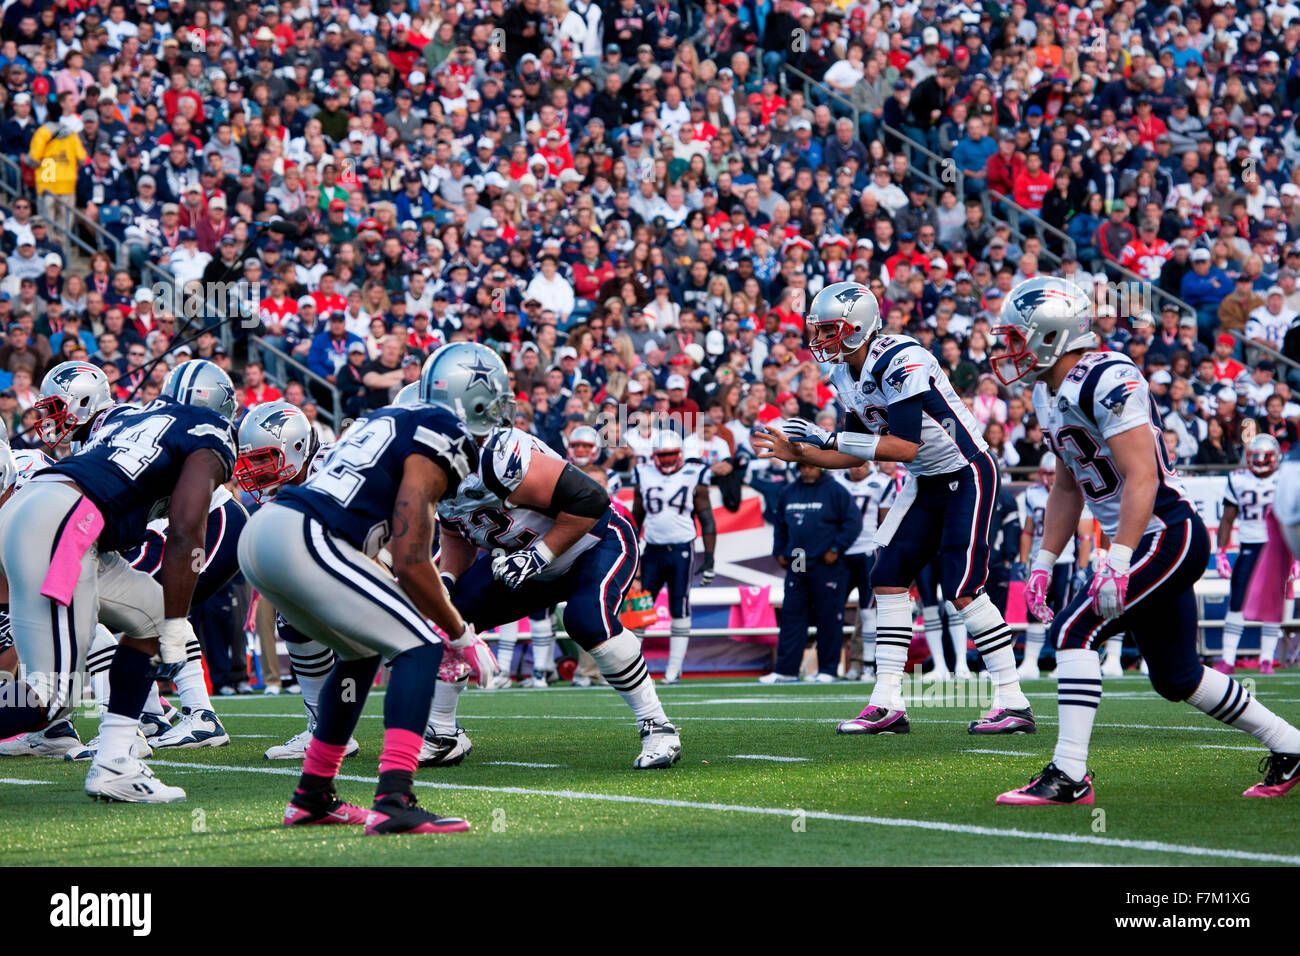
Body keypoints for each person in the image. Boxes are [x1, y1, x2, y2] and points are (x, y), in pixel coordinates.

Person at [991, 276, 1300, 804]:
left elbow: (1142, 477)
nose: (1009, 350)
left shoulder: (1106, 375)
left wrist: (1116, 558)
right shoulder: (1048, 392)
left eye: (1019, 337)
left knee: (1072, 632)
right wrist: (1044, 558)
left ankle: (1068, 775)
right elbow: (1069, 481)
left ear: (1052, 334)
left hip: (1164, 533)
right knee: (1177, 677)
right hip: (1141, 539)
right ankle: (1292, 745)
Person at [753, 282, 1035, 735]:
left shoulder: (902, 358)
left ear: (858, 328)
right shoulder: (845, 372)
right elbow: (856, 453)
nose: (820, 340)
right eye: (818, 330)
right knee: (886, 578)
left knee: (960, 587)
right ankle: (886, 701)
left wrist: (824, 439)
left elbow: (903, 446)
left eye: (830, 330)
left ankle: (1013, 701)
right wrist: (802, 455)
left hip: (966, 473)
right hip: (924, 482)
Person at [237, 366, 485, 834]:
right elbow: (413, 560)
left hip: (269, 533)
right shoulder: (437, 431)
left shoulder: (375, 427)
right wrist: (458, 633)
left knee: (361, 652)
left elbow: (400, 555)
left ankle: (313, 795)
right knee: (418, 646)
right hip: (307, 536)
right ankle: (395, 799)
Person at [0, 359, 237, 803]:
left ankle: (115, 762)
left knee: (148, 610)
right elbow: (187, 528)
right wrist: (177, 622)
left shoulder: (132, 418)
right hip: (67, 523)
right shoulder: (210, 430)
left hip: (51, 514)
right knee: (52, 698)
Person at [763, 460, 862, 683]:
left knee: (828, 617)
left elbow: (853, 523)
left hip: (826, 562)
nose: (807, 471)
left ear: (820, 467)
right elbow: (780, 526)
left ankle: (827, 670)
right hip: (796, 560)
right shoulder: (789, 491)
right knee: (792, 616)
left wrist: (836, 548)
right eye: (803, 467)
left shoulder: (835, 490)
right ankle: (786, 671)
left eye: (811, 466)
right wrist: (779, 550)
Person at [632, 430, 715, 684]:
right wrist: (634, 555)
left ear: (680, 454)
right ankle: (631, 670)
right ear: (653, 455)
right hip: (653, 550)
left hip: (681, 549)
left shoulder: (695, 474)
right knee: (640, 609)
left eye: (670, 454)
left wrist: (710, 558)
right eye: (662, 455)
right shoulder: (643, 473)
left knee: (680, 605)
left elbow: (707, 519)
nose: (666, 460)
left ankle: (673, 670)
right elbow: (636, 520)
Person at [1015, 453, 1091, 678]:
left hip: (1065, 560)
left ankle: (1063, 661)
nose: (1049, 478)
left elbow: (1085, 536)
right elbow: (1028, 531)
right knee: (1034, 610)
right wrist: (1023, 559)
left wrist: (1082, 568)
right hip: (1039, 562)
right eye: (1046, 474)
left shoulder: (1076, 493)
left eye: (1053, 473)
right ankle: (1030, 661)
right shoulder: (1032, 494)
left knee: (1063, 610)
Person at [1215, 435, 1282, 675]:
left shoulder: (1284, 479)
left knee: (1273, 604)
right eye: (1256, 457)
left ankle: (1266, 660)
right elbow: (1227, 518)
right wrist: (1220, 552)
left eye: (1265, 457)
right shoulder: (1238, 479)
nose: (1261, 462)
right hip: (1248, 544)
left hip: (1275, 547)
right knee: (1237, 601)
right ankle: (1229, 659)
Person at [833, 463, 897, 683]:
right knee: (831, 611)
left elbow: (886, 521)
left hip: (868, 550)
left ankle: (868, 666)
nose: (857, 467)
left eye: (861, 462)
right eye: (852, 462)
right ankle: (831, 666)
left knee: (868, 612)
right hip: (839, 552)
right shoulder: (836, 481)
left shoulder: (882, 483)